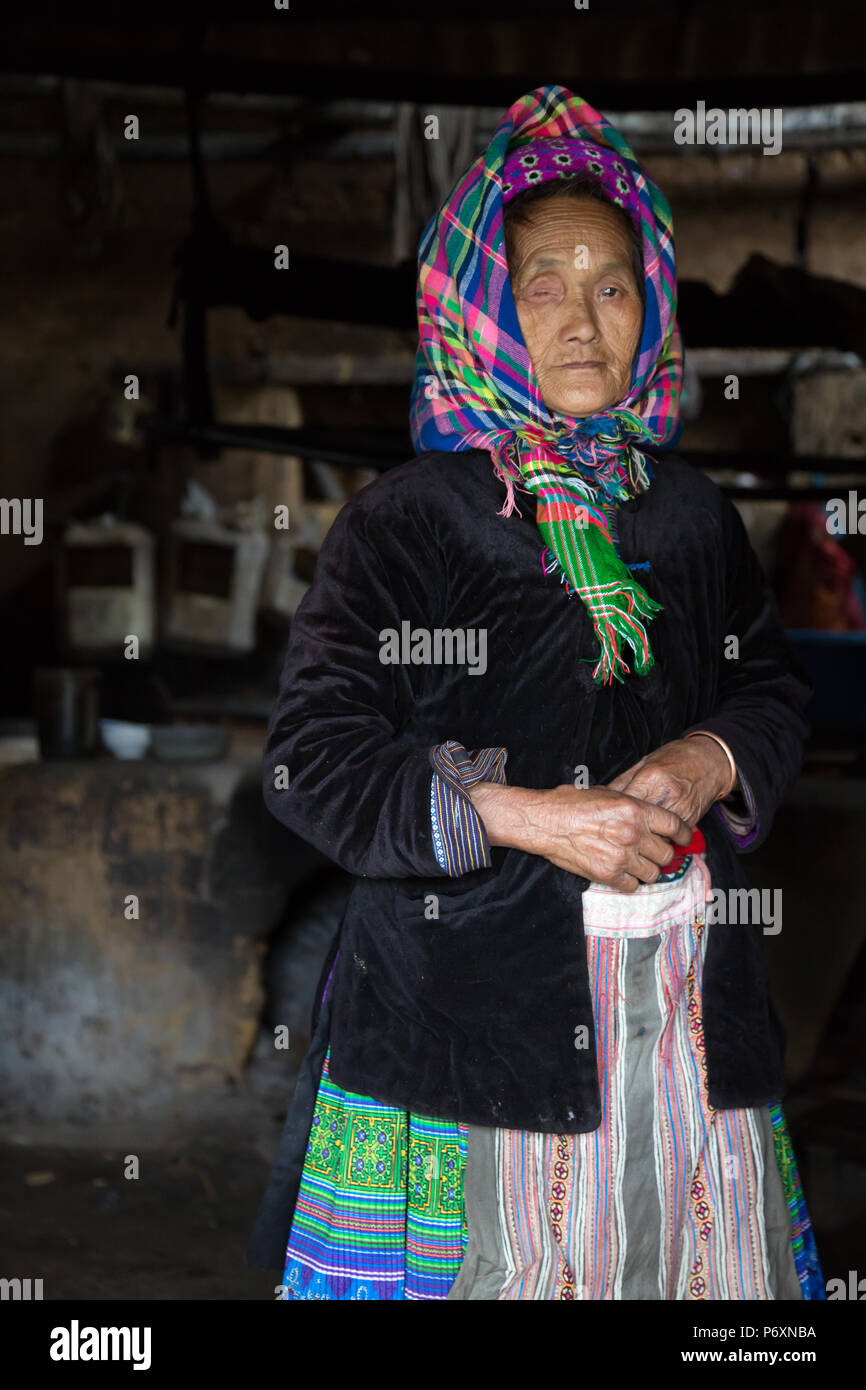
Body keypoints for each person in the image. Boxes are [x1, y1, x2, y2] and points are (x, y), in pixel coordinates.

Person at [246, 85, 824, 1301]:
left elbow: (767, 687)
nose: (579, 320)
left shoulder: (690, 516)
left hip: (677, 1021)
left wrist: (700, 760)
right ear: (479, 310)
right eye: (540, 284)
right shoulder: (408, 520)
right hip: (461, 1029)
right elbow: (311, 755)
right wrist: (524, 812)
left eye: (610, 285)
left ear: (651, 308)